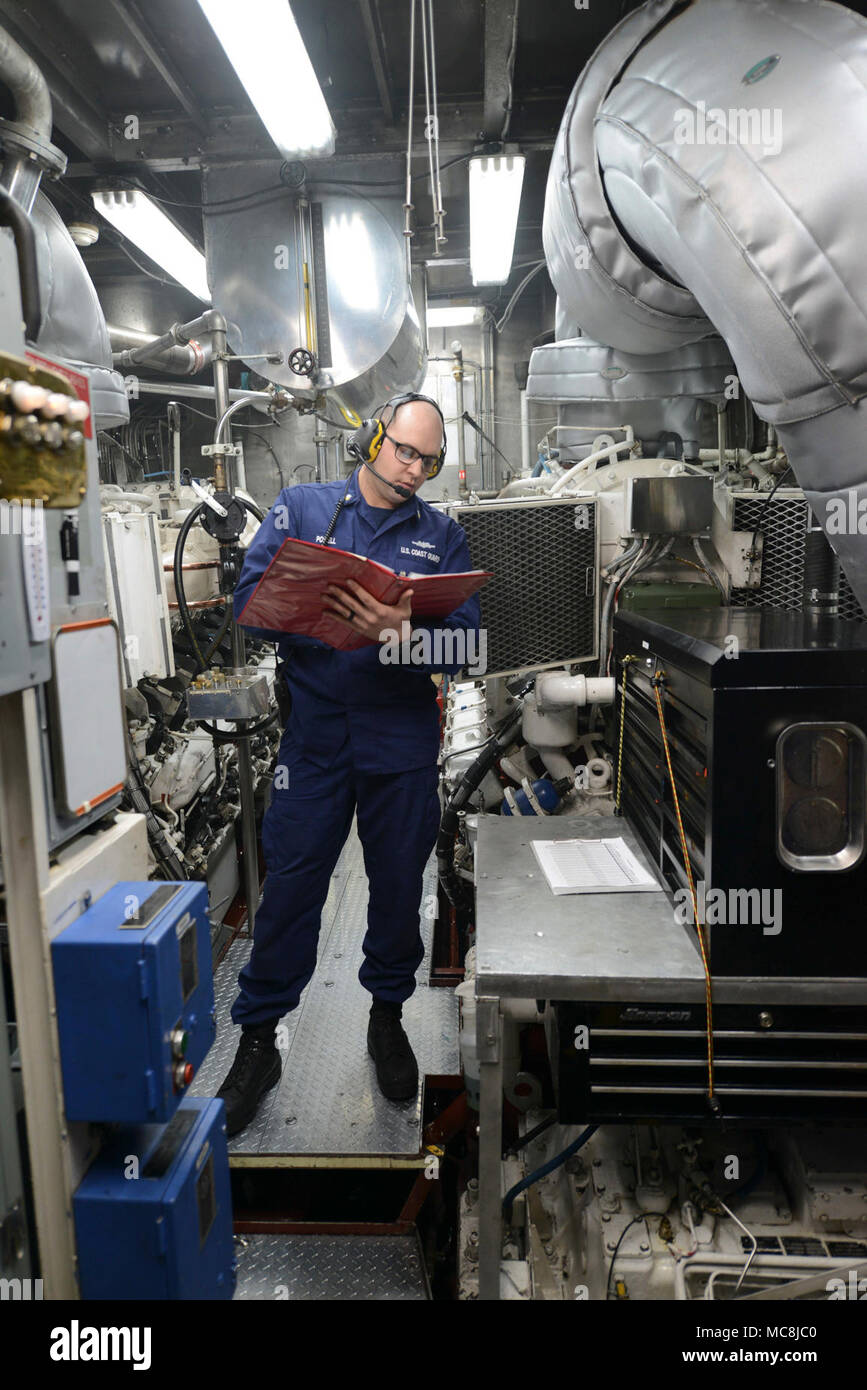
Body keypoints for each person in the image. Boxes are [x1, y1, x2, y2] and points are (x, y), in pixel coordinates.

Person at [215, 393, 481, 1135]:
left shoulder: (440, 538)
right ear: (372, 440)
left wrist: (401, 632)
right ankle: (259, 1040)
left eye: (427, 460)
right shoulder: (303, 510)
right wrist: (311, 609)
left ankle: (386, 1017)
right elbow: (245, 602)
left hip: (399, 745)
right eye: (403, 451)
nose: (413, 470)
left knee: (398, 889)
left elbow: (468, 649)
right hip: (316, 745)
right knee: (293, 886)